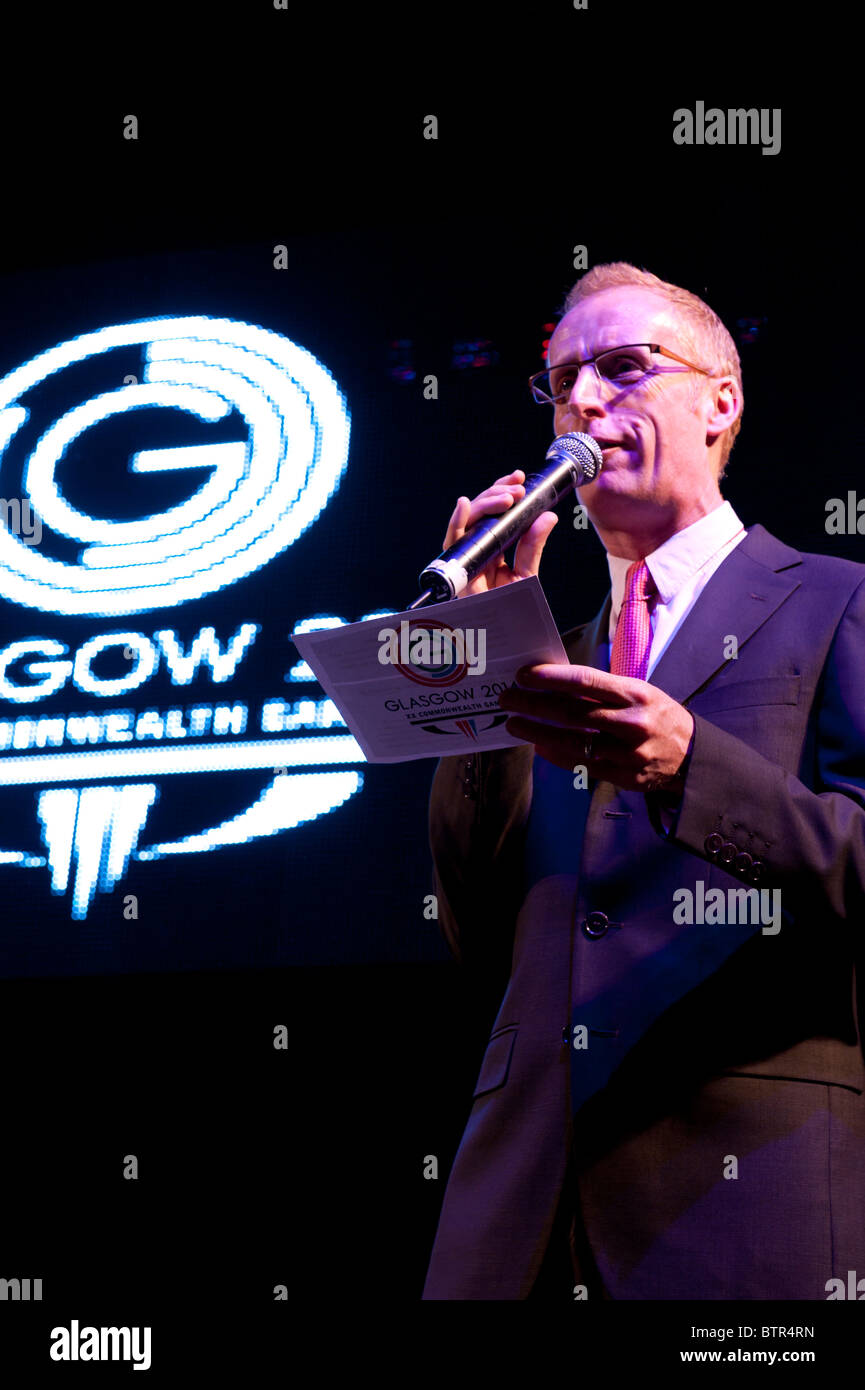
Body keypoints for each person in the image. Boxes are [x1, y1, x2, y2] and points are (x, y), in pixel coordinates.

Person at [421, 263, 865, 1301]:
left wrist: (692, 769)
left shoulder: (836, 602)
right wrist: (486, 652)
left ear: (720, 401)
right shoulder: (550, 649)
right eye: (561, 380)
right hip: (518, 1209)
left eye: (621, 367)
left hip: (742, 1190)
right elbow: (473, 927)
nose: (580, 400)